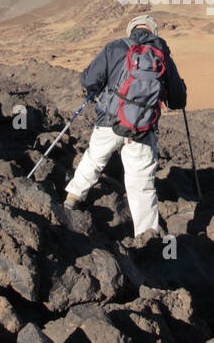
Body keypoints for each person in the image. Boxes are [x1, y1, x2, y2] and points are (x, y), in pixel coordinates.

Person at [63, 13, 187, 243]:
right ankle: (147, 237)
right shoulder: (163, 55)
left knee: (94, 159)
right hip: (143, 130)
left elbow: (89, 80)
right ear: (153, 32)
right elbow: (178, 100)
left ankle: (72, 199)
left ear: (131, 30)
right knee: (142, 184)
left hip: (109, 122)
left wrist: (102, 94)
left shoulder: (115, 47)